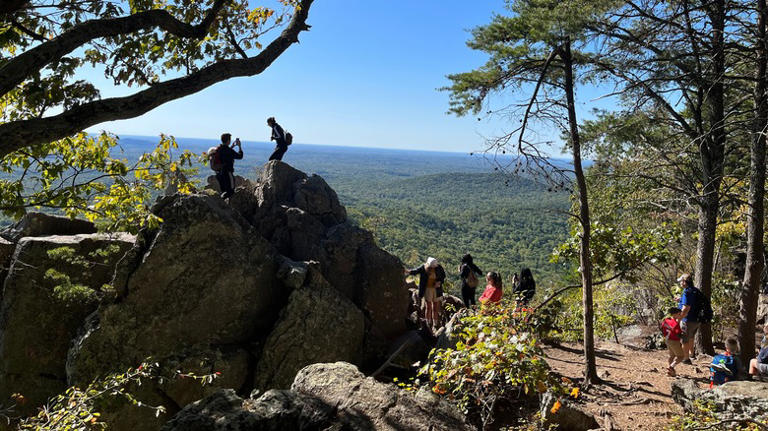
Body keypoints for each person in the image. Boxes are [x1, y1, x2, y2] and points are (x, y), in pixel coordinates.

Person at [405, 257, 445, 331]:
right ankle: (428, 323)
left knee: (435, 307)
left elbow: (443, 276)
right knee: (428, 306)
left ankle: (435, 323)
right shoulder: (424, 268)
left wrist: (439, 282)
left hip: (437, 290)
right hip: (427, 289)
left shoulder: (439, 268)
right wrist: (407, 271)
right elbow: (415, 271)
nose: (433, 267)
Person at [677, 273, 702, 364]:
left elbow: (686, 308)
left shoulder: (687, 292)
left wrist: (679, 318)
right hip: (696, 320)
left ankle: (686, 358)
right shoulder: (695, 290)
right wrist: (680, 300)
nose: (680, 283)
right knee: (691, 337)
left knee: (685, 340)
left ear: (684, 282)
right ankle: (691, 355)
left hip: (687, 320)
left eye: (681, 281)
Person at [209, 133, 243, 199]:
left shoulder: (218, 149)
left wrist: (232, 147)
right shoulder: (229, 150)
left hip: (219, 174)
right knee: (231, 191)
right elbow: (240, 156)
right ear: (228, 141)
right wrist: (239, 146)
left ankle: (221, 202)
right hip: (227, 173)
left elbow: (225, 153)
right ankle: (221, 201)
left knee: (224, 190)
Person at [660, 307, 684, 377]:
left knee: (672, 356)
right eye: (679, 314)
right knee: (680, 356)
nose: (680, 315)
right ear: (674, 314)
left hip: (667, 340)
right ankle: (671, 367)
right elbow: (678, 333)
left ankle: (669, 372)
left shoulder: (666, 320)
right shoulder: (675, 323)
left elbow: (662, 328)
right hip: (674, 341)